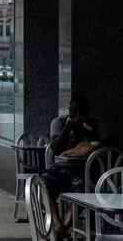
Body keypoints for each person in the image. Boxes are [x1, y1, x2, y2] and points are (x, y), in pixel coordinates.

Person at [39, 96, 101, 239]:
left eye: (81, 112)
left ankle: (64, 229)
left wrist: (91, 130)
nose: (77, 115)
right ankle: (58, 225)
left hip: (83, 170)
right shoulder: (59, 122)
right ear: (69, 110)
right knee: (42, 185)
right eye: (74, 110)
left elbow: (105, 144)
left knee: (83, 190)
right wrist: (69, 126)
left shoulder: (94, 125)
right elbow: (54, 147)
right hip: (61, 167)